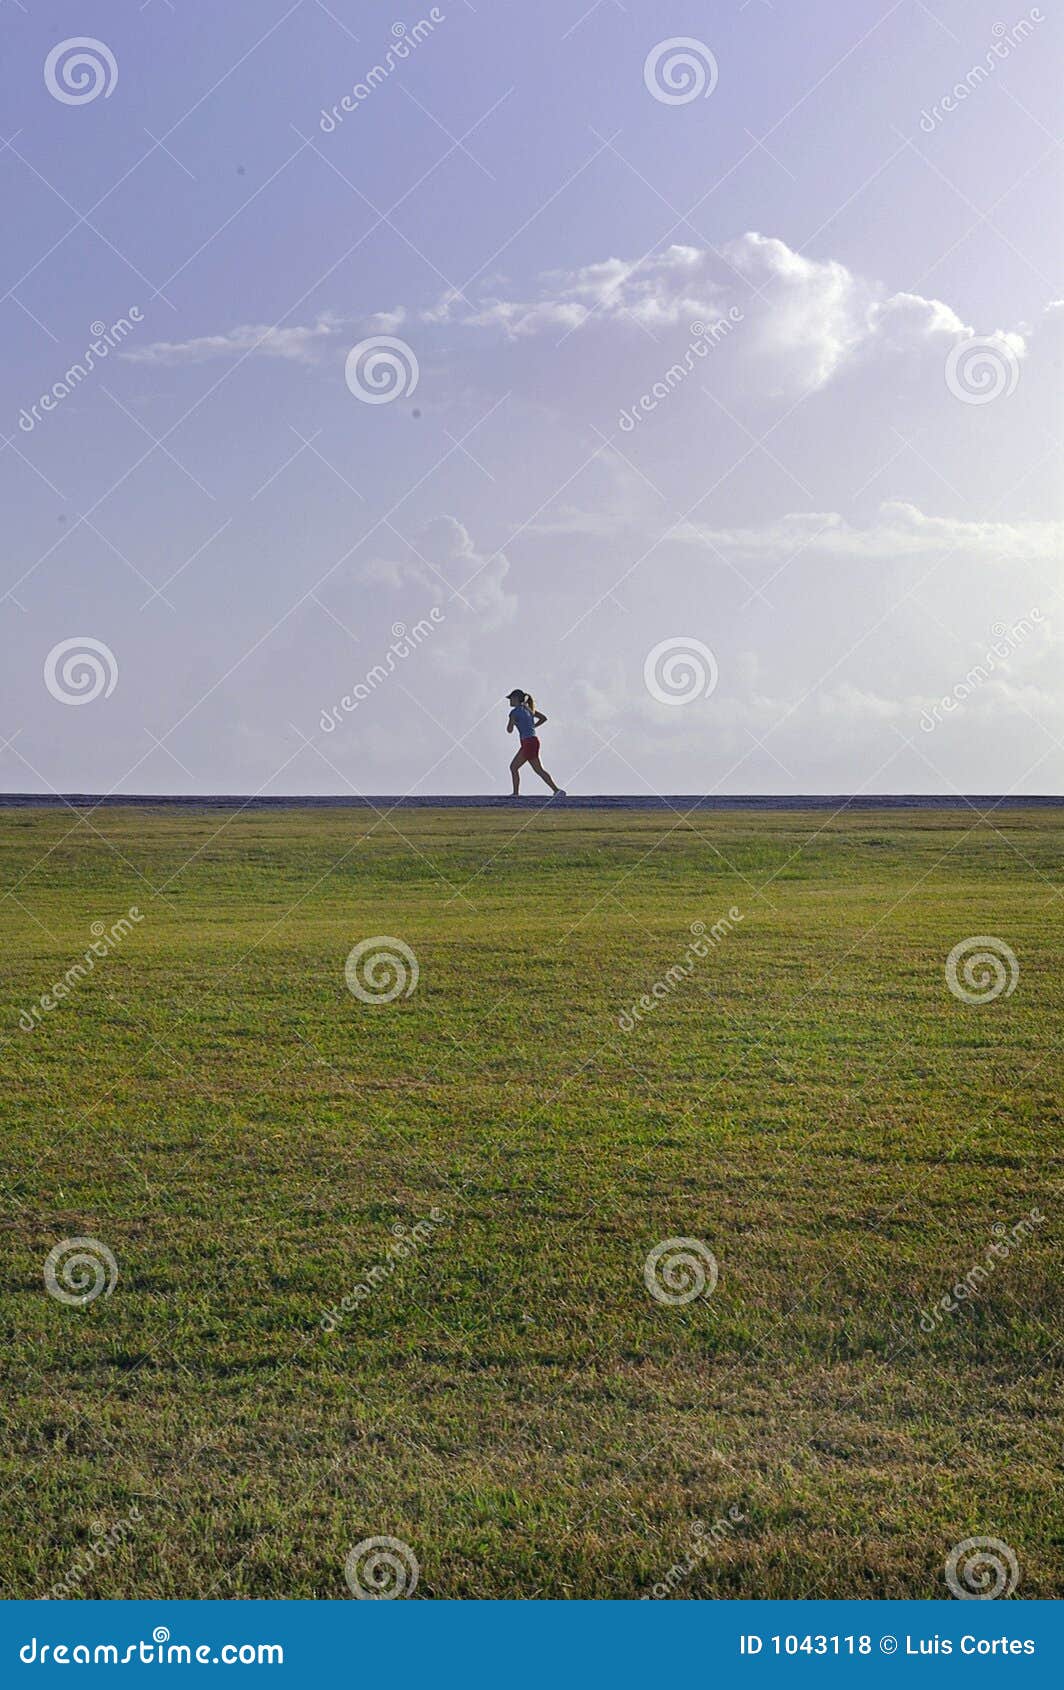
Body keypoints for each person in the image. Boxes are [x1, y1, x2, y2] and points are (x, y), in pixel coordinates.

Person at [506, 689, 566, 798]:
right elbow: (543, 718)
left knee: (530, 769)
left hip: (528, 742)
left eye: (511, 699)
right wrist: (533, 726)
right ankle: (556, 791)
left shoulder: (513, 713)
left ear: (516, 699)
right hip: (532, 741)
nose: (509, 701)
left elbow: (509, 730)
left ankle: (557, 791)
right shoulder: (528, 709)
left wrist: (512, 721)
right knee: (517, 767)